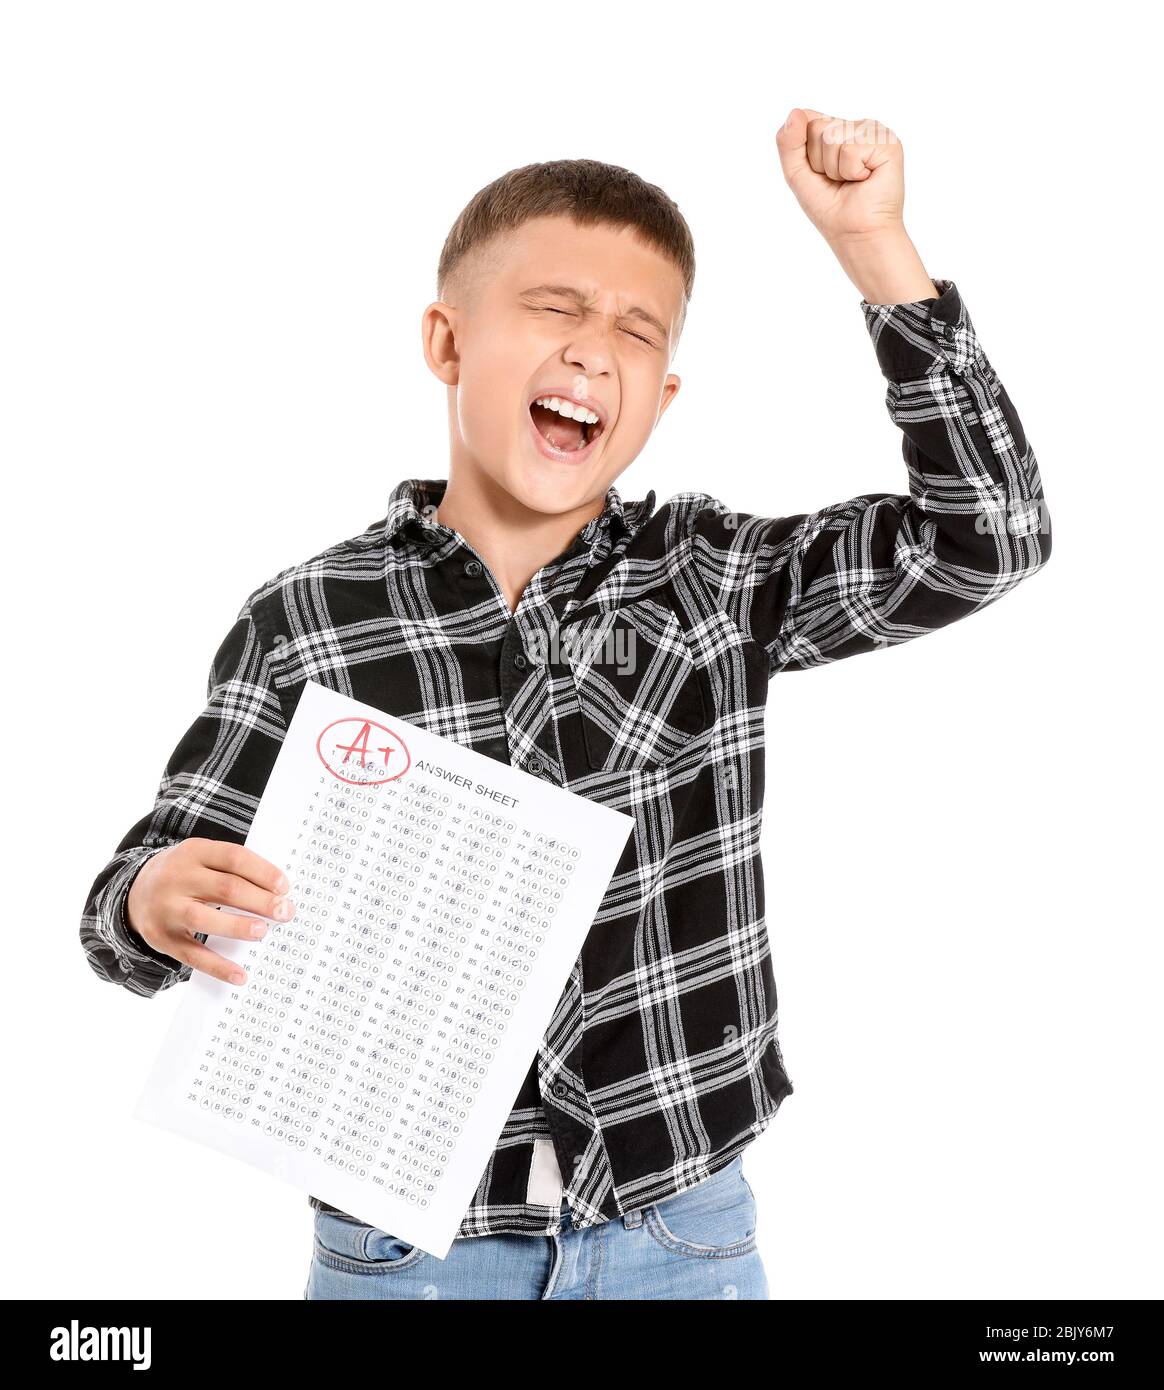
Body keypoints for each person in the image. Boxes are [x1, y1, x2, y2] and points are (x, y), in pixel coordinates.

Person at [79, 108, 1052, 1301]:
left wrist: (874, 246)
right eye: (556, 309)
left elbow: (990, 536)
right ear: (446, 341)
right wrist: (153, 898)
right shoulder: (309, 618)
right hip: (405, 1255)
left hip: (679, 1233)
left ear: (663, 397)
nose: (596, 352)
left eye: (637, 332)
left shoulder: (713, 581)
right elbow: (134, 899)